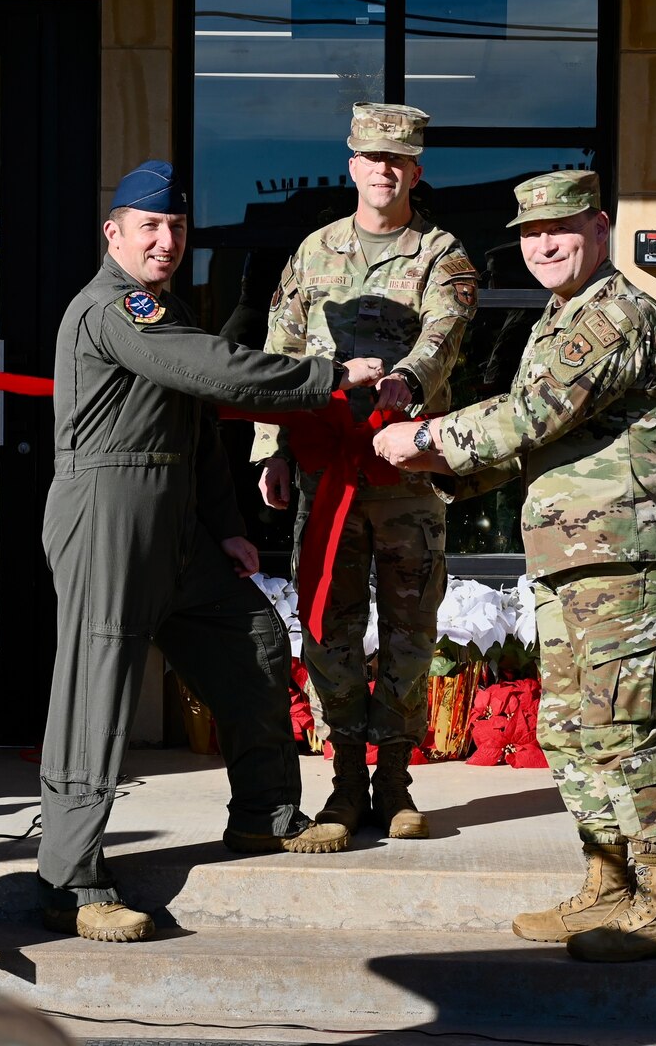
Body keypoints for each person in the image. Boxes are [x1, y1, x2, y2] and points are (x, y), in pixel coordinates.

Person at [37, 160, 385, 943]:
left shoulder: (166, 309)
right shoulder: (115, 307)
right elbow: (210, 369)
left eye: (178, 229)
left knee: (252, 637)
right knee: (98, 692)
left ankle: (264, 813)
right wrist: (329, 377)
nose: (167, 241)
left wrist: (226, 524)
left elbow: (192, 426)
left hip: (175, 521)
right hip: (107, 512)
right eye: (151, 227)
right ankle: (70, 882)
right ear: (114, 233)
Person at [373, 170, 656, 962]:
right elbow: (536, 442)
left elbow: (526, 417)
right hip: (570, 558)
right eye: (529, 233)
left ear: (600, 227)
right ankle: (607, 884)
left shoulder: (612, 318)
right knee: (566, 729)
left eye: (561, 228)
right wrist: (439, 469)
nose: (544, 244)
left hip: (620, 562)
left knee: (620, 732)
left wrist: (423, 441)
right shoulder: (560, 319)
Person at [252, 103, 478, 847]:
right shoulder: (312, 254)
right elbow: (278, 356)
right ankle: (345, 783)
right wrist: (272, 450)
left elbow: (443, 338)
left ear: (416, 170)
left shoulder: (443, 254)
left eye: (399, 159)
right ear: (351, 165)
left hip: (406, 473)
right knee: (329, 624)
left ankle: (396, 780)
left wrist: (405, 383)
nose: (384, 170)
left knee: (411, 627)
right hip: (327, 475)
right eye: (371, 157)